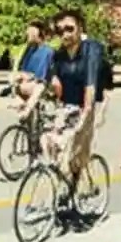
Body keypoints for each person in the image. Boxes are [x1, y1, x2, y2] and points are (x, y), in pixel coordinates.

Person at [23, 10, 101, 182]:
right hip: (68, 107)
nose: (65, 34)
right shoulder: (58, 56)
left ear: (80, 29)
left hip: (89, 104)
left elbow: (91, 86)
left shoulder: (90, 51)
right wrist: (29, 107)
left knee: (73, 149)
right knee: (49, 141)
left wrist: (85, 117)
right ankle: (63, 183)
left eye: (69, 29)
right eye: (60, 31)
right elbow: (45, 83)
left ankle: (78, 181)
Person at [11, 21, 54, 101]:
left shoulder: (47, 51)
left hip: (39, 85)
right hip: (26, 83)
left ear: (38, 34)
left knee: (39, 87)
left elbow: (41, 76)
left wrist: (27, 77)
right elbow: (23, 68)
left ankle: (26, 109)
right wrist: (19, 76)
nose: (28, 35)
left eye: (30, 33)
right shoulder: (29, 50)